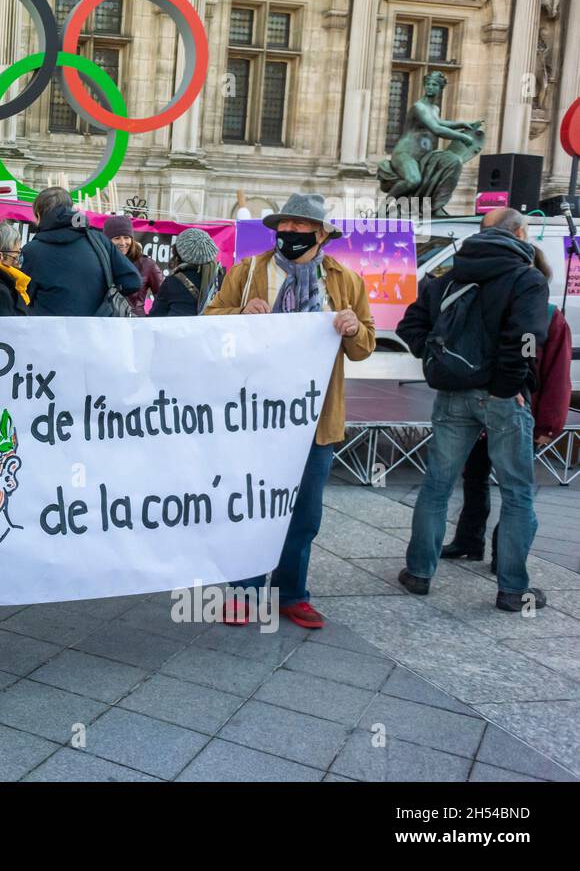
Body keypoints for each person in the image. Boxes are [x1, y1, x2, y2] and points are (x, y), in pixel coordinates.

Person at [206, 192, 375, 629]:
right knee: (251, 506)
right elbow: (209, 321)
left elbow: (364, 347)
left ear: (322, 235)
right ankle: (244, 592)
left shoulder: (345, 280)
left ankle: (291, 593)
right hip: (255, 418)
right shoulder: (249, 272)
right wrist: (241, 312)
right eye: (286, 226)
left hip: (316, 420)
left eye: (302, 228)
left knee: (304, 515)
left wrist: (353, 328)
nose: (292, 233)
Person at [395, 207, 551, 611]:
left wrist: (440, 361)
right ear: (519, 232)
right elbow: (529, 338)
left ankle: (418, 573)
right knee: (517, 492)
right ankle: (513, 590)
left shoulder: (449, 275)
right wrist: (509, 385)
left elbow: (409, 328)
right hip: (503, 398)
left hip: (452, 394)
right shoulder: (527, 278)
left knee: (436, 486)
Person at [436, 245, 572, 572]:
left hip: (520, 415)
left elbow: (557, 376)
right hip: (483, 411)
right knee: (474, 477)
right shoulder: (494, 305)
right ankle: (469, 540)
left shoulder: (551, 316)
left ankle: (505, 557)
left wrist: (548, 426)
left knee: (515, 491)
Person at [20, 187, 141, 316]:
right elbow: (132, 281)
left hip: (49, 330)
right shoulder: (98, 240)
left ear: (39, 215)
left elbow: (23, 297)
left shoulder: (31, 251)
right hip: (94, 329)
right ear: (72, 210)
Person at [149, 227, 224, 318]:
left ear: (179, 253)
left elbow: (155, 318)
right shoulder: (222, 279)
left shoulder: (172, 282)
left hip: (177, 331)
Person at [104, 215, 162, 316]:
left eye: (126, 237)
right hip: (106, 323)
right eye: (117, 238)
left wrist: (150, 319)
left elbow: (163, 297)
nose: (123, 242)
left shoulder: (147, 264)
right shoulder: (101, 261)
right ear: (107, 240)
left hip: (135, 326)